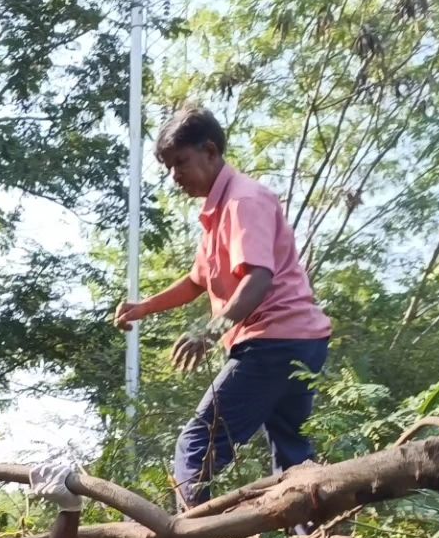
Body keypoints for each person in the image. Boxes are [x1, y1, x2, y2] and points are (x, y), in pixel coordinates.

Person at [114, 106, 332, 509]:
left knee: (196, 444)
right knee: (293, 457)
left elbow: (258, 279)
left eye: (180, 162)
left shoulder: (243, 201)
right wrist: (143, 308)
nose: (174, 176)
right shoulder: (218, 212)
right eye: (168, 167)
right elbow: (198, 280)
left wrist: (208, 333)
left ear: (210, 151)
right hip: (300, 342)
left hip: (274, 341)